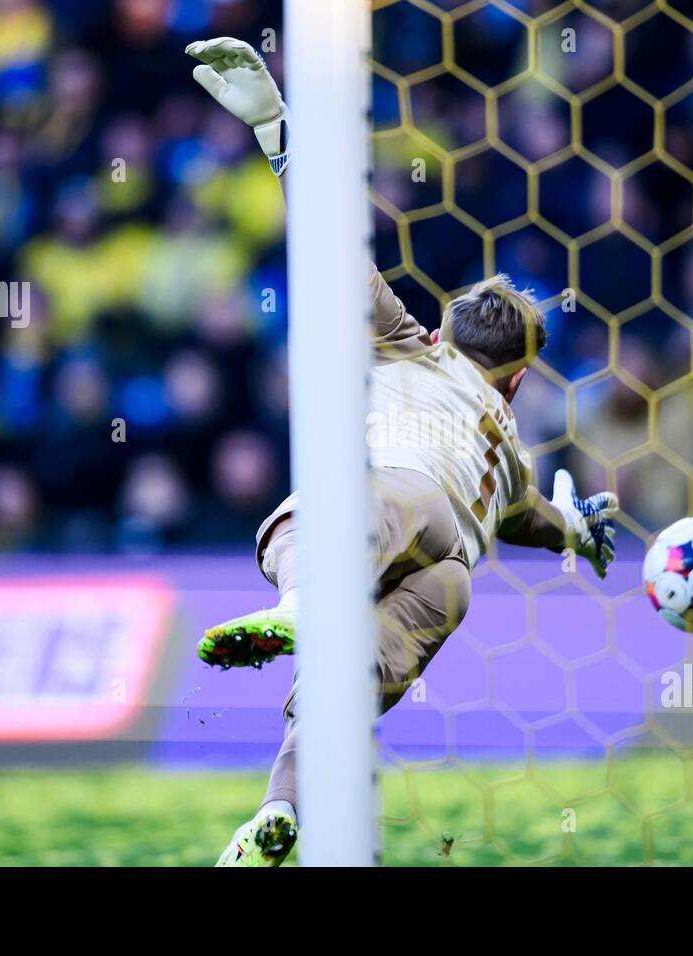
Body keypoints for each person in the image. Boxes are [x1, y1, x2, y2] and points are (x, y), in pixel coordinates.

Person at [186, 38, 619, 867]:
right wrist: (575, 528)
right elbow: (530, 518)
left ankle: (298, 609)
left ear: (440, 330)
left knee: (304, 523)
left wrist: (277, 128)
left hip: (393, 498)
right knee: (334, 706)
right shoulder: (510, 452)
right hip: (449, 577)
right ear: (520, 378)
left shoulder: (410, 348)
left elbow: (332, 244)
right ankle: (276, 814)